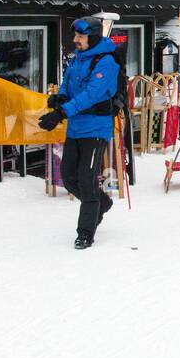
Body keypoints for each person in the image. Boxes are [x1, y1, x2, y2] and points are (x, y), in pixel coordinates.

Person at [38, 16, 119, 249]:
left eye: (80, 37)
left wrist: (61, 113)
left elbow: (91, 95)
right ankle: (101, 203)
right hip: (76, 127)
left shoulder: (106, 62)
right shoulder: (77, 59)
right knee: (69, 176)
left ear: (92, 37)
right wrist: (61, 97)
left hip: (95, 128)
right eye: (75, 36)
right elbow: (67, 82)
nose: (75, 40)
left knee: (86, 179)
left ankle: (85, 232)